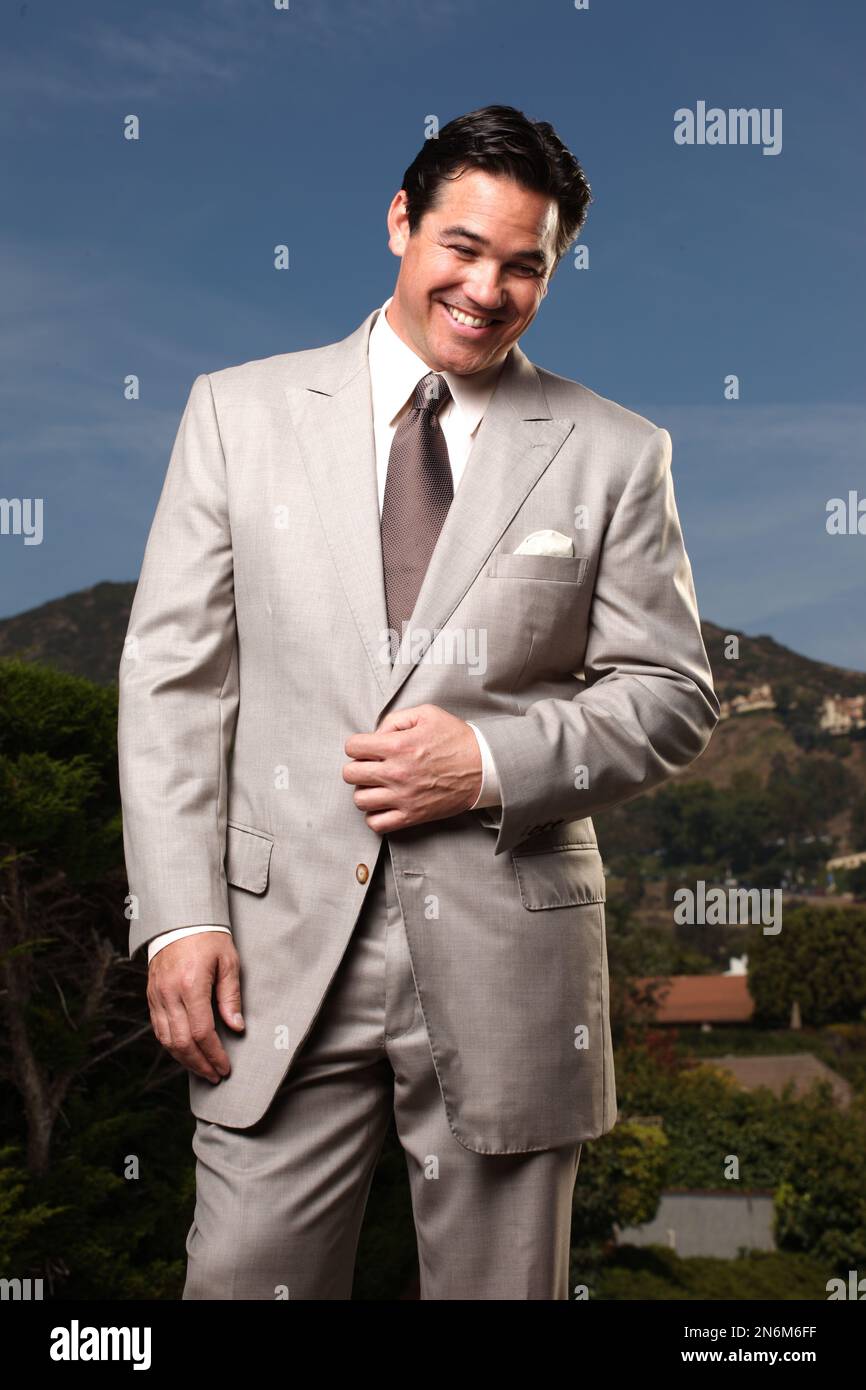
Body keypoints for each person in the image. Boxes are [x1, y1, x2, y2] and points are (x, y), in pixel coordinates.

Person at [117, 104, 719, 1300]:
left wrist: (490, 762)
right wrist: (180, 916)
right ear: (401, 222)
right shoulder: (236, 415)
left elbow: (670, 694)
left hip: (511, 959)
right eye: (460, 246)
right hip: (273, 956)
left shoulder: (614, 451)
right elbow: (174, 680)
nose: (485, 288)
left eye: (523, 264)